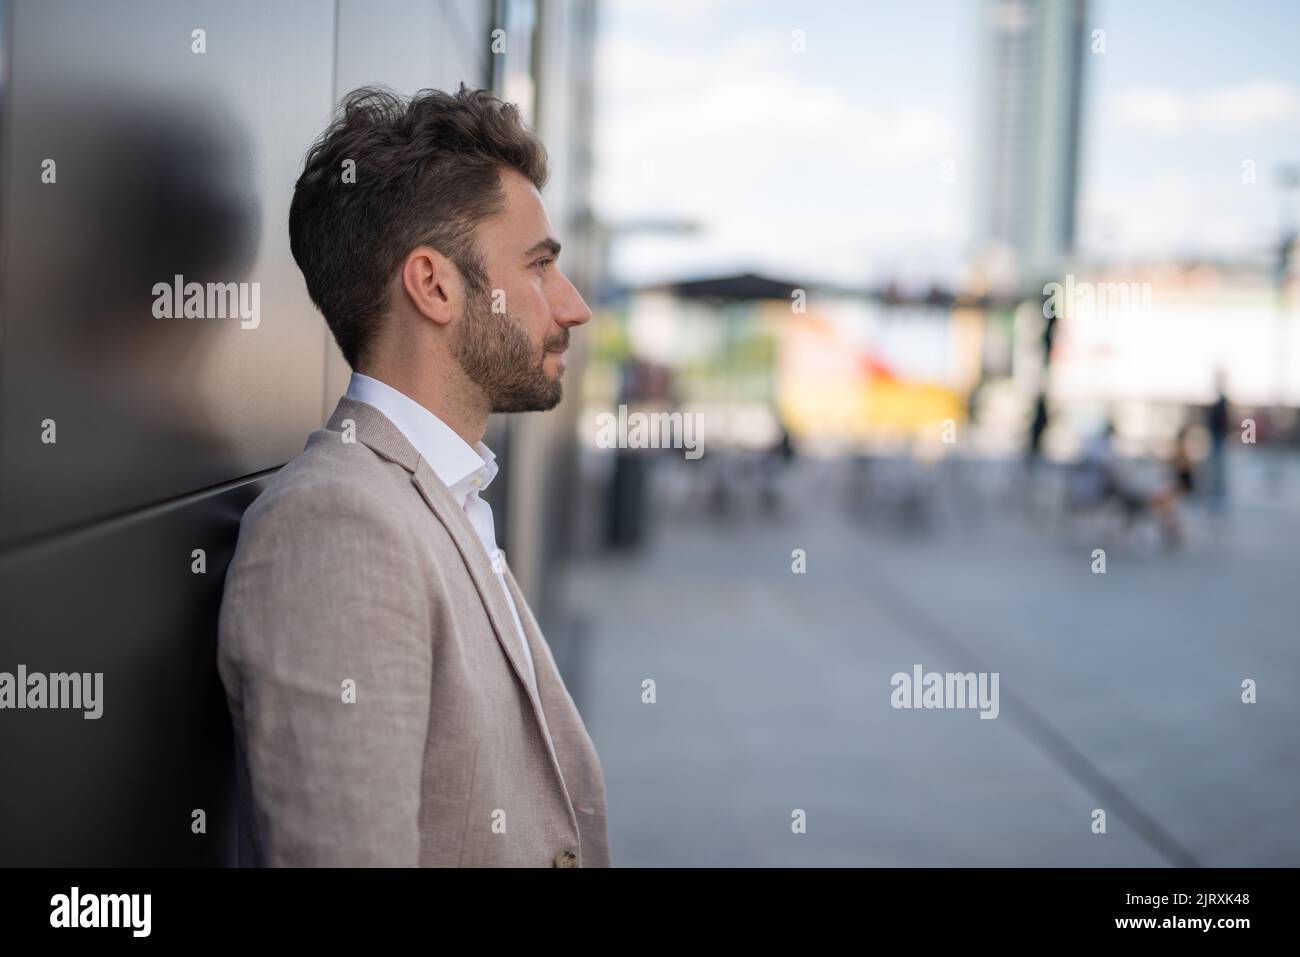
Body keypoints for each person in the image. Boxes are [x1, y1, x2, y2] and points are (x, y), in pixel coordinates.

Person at [217, 85, 608, 867]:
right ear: (433, 285)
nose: (573, 306)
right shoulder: (334, 527)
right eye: (539, 267)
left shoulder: (440, 494)